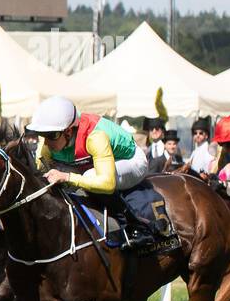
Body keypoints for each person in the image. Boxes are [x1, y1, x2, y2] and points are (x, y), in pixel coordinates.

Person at [26, 95, 164, 250]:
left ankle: (136, 227)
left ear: (68, 132)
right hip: (92, 162)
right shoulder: (48, 144)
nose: (46, 142)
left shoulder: (95, 137)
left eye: (51, 135)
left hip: (130, 160)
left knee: (90, 176)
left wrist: (67, 176)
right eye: (43, 134)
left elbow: (107, 183)